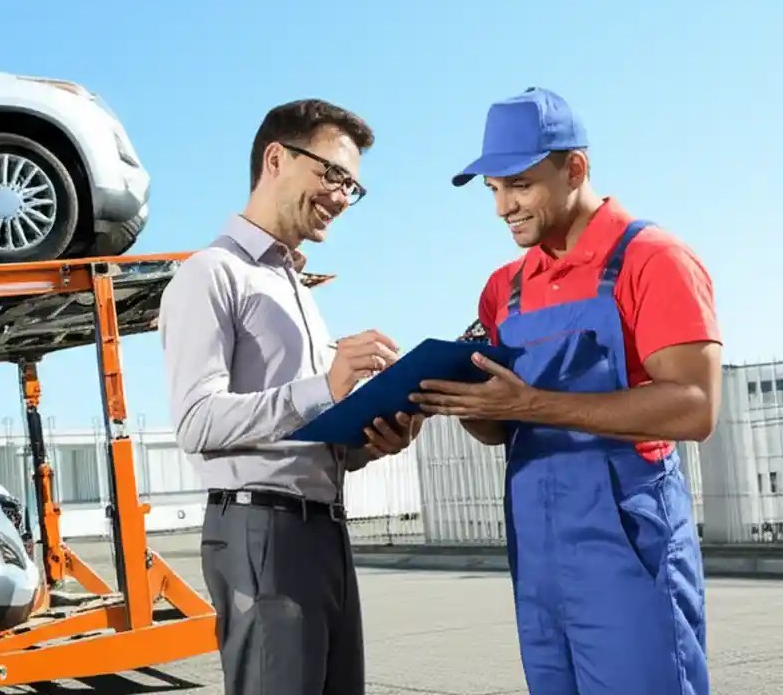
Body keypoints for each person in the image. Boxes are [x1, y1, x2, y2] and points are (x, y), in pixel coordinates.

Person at [412, 86, 719, 695]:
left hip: (628, 545)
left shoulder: (653, 260)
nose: (503, 207)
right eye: (492, 189)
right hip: (536, 548)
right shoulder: (503, 289)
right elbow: (500, 427)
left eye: (519, 185)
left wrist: (530, 404)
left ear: (575, 168)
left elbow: (695, 407)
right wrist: (458, 400)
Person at [158, 98, 425, 695]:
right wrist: (325, 387)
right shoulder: (211, 273)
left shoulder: (295, 287)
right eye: (333, 174)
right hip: (262, 531)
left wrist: (371, 438)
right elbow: (196, 421)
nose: (342, 196)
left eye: (352, 187)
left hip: (323, 533)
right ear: (276, 158)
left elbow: (299, 431)